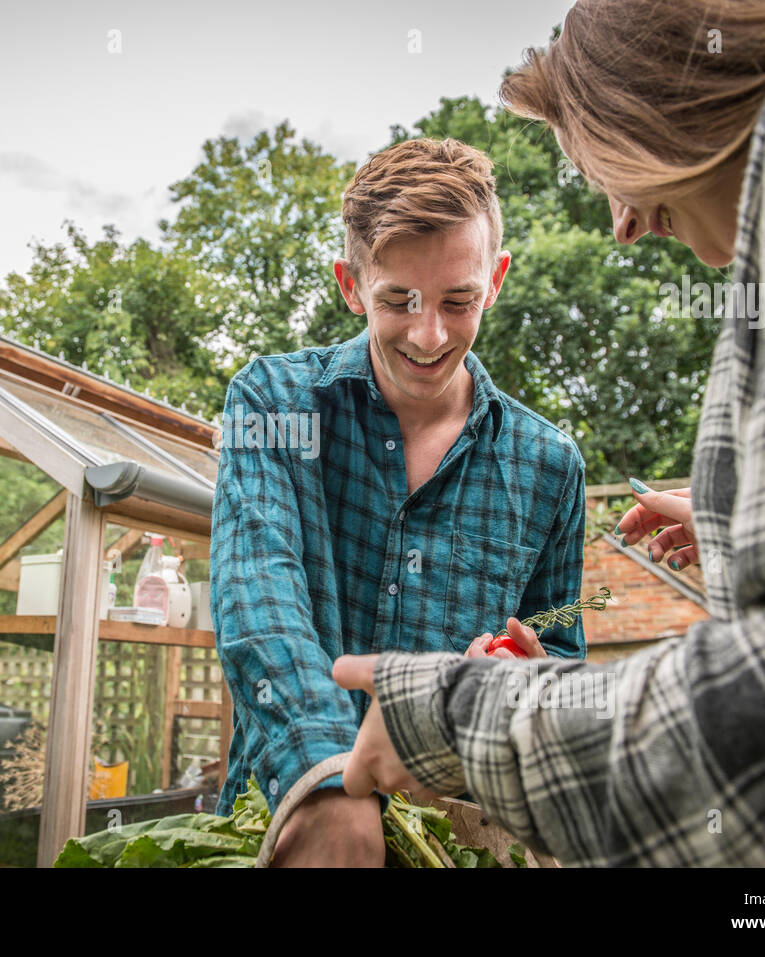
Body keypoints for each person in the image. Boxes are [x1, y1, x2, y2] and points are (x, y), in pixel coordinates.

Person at [335, 0, 765, 866]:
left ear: (668, 106)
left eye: (605, 165)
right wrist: (744, 527)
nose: (623, 222)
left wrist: (456, 714)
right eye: (400, 301)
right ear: (353, 287)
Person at [209, 138, 587, 867]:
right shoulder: (272, 403)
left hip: (465, 844)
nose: (429, 333)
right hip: (290, 826)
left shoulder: (551, 466)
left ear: (496, 281)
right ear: (351, 285)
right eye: (398, 300)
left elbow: (557, 644)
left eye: (458, 300)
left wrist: (525, 681)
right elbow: (259, 596)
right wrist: (329, 780)